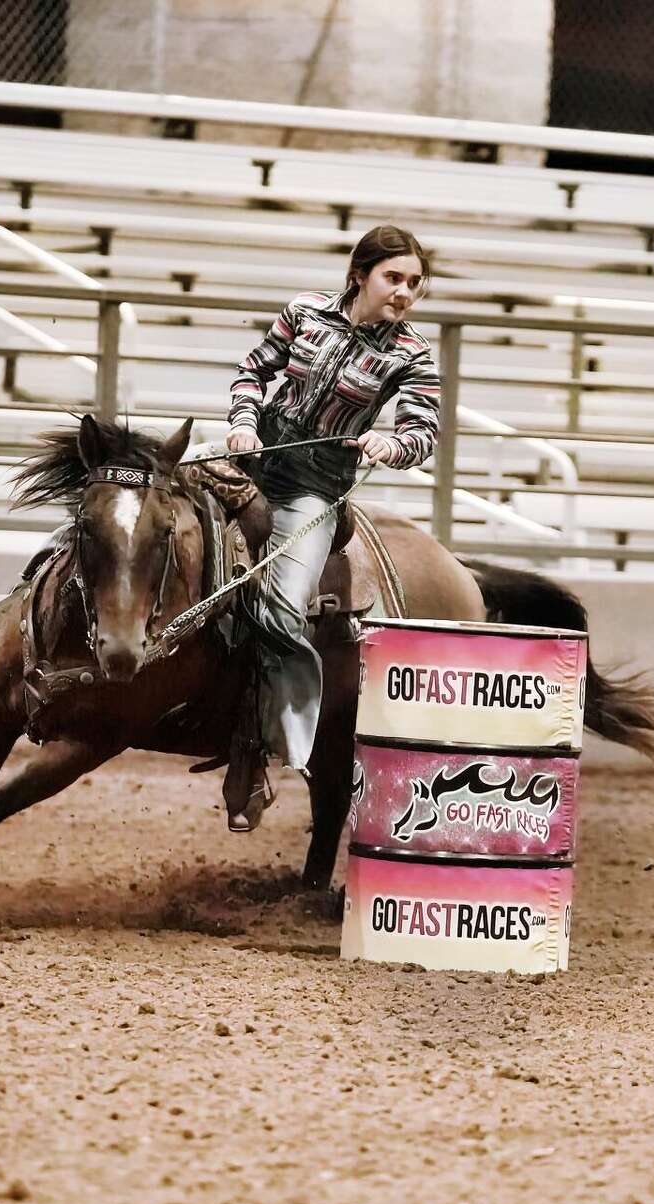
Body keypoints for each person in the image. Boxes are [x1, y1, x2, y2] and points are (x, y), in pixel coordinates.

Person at [227, 224, 440, 785]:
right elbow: (253, 370)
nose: (404, 292)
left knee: (283, 606)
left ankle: (284, 741)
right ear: (359, 275)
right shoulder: (304, 311)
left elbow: (424, 434)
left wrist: (391, 444)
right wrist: (245, 424)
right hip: (250, 460)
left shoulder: (413, 356)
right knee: (136, 498)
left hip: (312, 491)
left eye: (415, 283)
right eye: (393, 278)